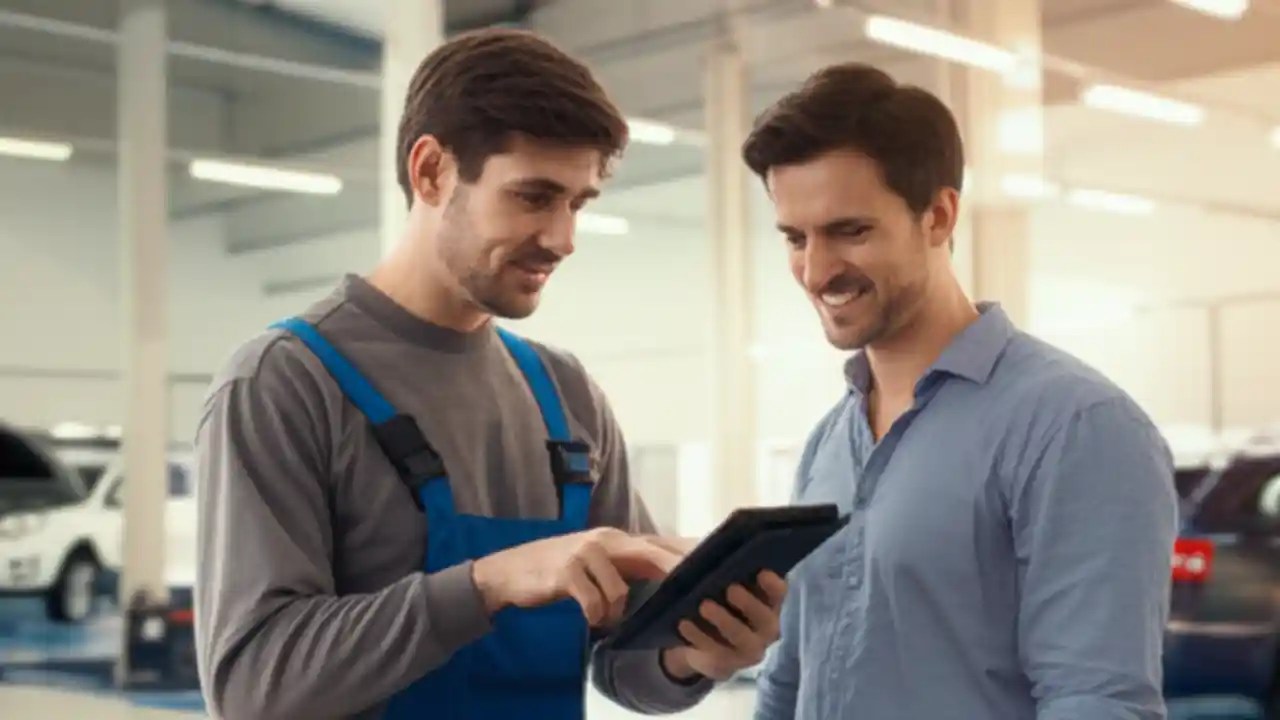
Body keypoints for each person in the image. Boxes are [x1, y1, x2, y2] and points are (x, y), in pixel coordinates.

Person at [193, 28, 785, 720]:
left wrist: (692, 654)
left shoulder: (565, 397)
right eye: (534, 197)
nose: (564, 239)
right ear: (431, 172)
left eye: (579, 203)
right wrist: (488, 584)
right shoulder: (285, 385)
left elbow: (627, 662)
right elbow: (253, 688)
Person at [743, 63, 1179, 720]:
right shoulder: (828, 443)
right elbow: (787, 683)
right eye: (795, 238)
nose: (816, 269)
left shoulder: (1077, 426)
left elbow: (1096, 700)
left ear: (939, 215)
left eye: (849, 231)